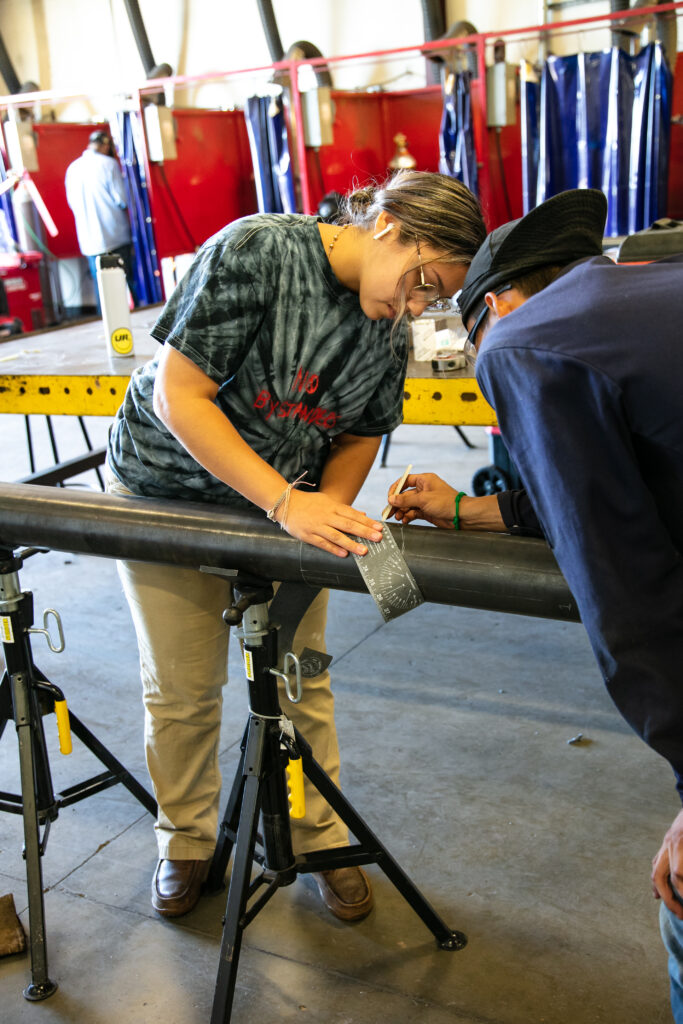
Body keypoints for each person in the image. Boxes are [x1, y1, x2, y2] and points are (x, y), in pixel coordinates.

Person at [104, 170, 485, 922]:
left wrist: (322, 518)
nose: (414, 307)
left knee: (301, 678)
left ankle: (318, 838)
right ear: (389, 226)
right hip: (168, 497)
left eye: (431, 300)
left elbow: (363, 429)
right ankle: (184, 841)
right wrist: (285, 502)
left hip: (284, 515)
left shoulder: (383, 323)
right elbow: (178, 396)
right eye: (420, 282)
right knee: (182, 690)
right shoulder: (258, 252)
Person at [384, 188, 683, 1018]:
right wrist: (468, 508)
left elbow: (628, 592)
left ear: (494, 304)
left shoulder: (520, 340)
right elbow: (624, 473)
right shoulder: (646, 292)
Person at [65, 129, 137, 310]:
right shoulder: (109, 164)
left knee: (102, 291)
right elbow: (122, 199)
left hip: (90, 241)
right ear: (106, 146)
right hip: (115, 235)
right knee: (129, 282)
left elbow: (72, 204)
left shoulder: (73, 168)